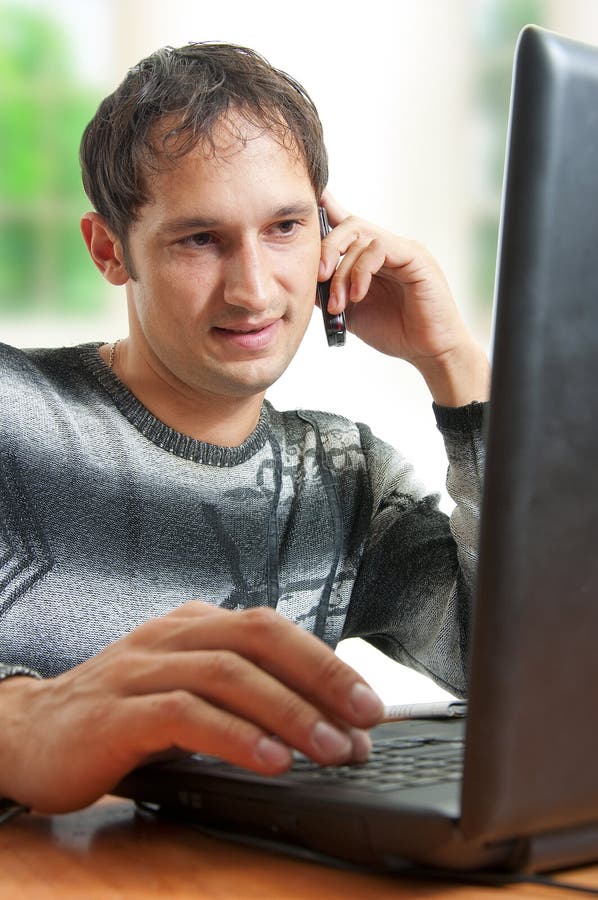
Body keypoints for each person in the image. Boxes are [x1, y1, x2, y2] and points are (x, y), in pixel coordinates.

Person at [0, 42, 489, 816]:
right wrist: (22, 726)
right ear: (109, 249)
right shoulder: (13, 413)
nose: (254, 290)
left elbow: (534, 664)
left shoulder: (345, 478)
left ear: (327, 231)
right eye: (200, 239)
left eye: (285, 227)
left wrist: (455, 363)